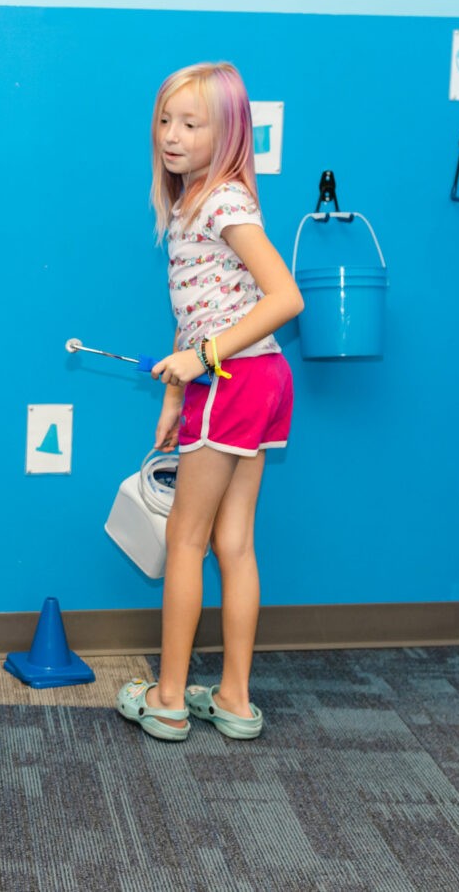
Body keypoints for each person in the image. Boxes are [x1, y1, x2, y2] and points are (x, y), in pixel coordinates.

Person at [115, 61, 302, 743]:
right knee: (234, 541)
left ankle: (167, 696)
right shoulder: (195, 202)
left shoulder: (222, 202)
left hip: (234, 379)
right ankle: (232, 696)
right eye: (165, 119)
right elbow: (195, 312)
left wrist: (204, 362)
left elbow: (286, 298)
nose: (171, 134)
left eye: (191, 124)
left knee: (187, 539)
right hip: (254, 381)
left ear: (227, 134)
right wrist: (175, 390)